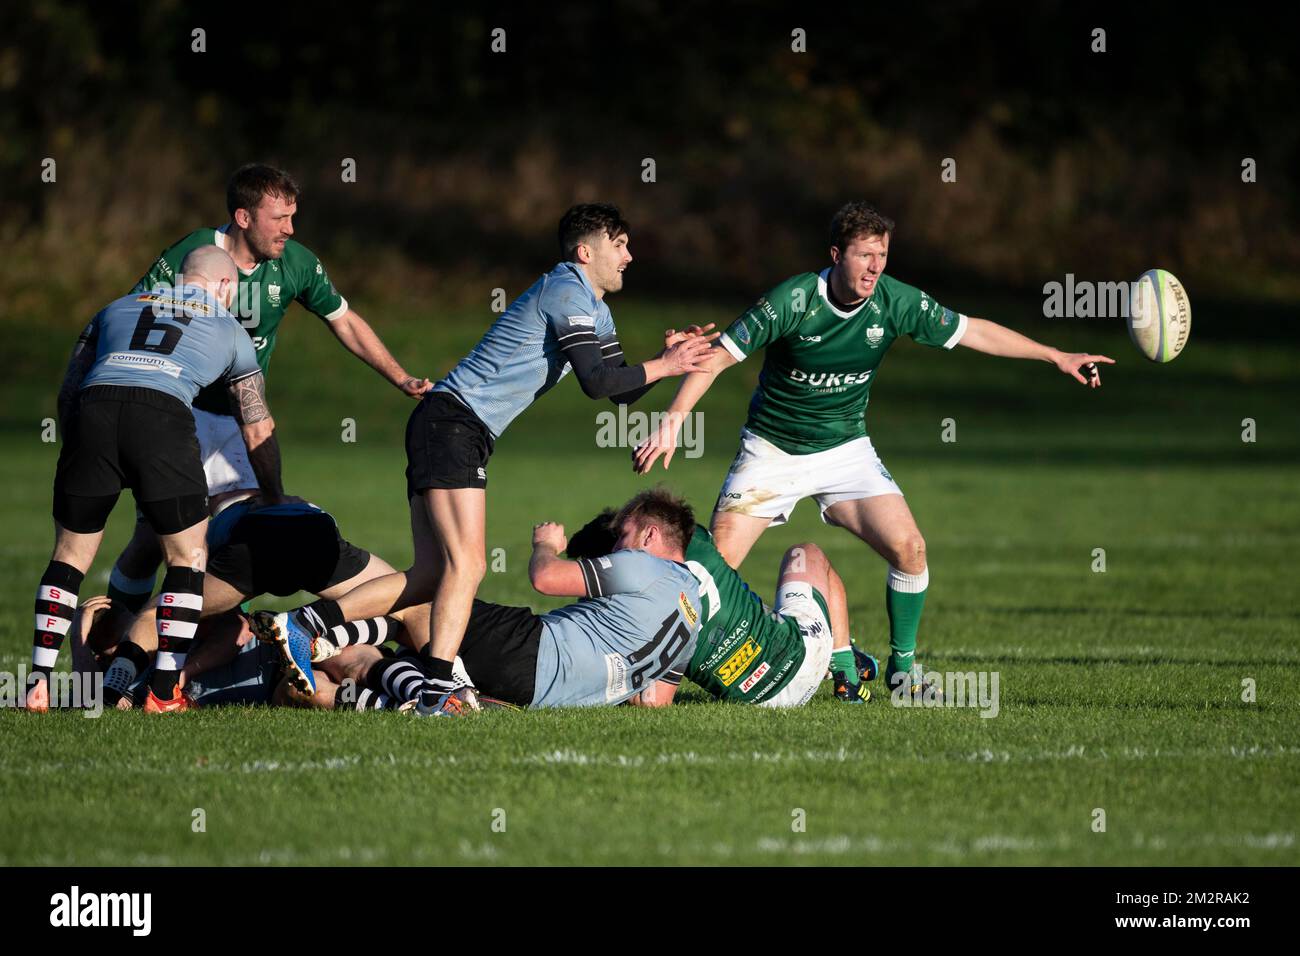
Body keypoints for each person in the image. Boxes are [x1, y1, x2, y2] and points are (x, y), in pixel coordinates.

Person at [634, 201, 1115, 695]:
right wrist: (673, 422)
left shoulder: (895, 301)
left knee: (910, 549)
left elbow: (973, 330)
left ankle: (903, 671)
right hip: (771, 453)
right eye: (865, 255)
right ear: (837, 254)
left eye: (882, 254)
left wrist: (1055, 354)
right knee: (714, 573)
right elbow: (714, 359)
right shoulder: (793, 299)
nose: (876, 266)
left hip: (845, 450)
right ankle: (652, 661)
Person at [255, 204, 715, 712]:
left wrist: (666, 361)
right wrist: (665, 364)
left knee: (433, 575)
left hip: (452, 427)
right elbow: (597, 382)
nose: (630, 255)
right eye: (619, 244)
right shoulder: (566, 290)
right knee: (468, 565)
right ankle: (430, 687)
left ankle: (304, 625)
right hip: (454, 424)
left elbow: (619, 390)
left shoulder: (596, 309)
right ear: (586, 252)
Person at [102, 163, 431, 621]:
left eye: (293, 217)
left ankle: (215, 648)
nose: (289, 230)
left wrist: (401, 377)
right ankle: (116, 636)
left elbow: (345, 320)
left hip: (243, 424)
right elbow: (137, 315)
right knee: (154, 543)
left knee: (250, 536)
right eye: (279, 219)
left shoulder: (295, 262)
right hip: (181, 416)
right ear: (243, 217)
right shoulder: (191, 254)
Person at [30, 245, 281, 713]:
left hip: (95, 407)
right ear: (225, 286)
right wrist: (273, 494)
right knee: (188, 557)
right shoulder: (230, 328)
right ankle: (163, 692)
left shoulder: (114, 308)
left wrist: (79, 447)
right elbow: (256, 424)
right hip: (162, 415)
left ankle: (37, 684)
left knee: (68, 556)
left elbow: (69, 387)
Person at [347, 488, 704, 715]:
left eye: (623, 535)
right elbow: (653, 703)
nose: (615, 548)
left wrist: (545, 545)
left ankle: (318, 602)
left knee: (427, 599)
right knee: (384, 662)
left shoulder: (645, 565)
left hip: (529, 652)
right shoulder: (693, 614)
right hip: (543, 695)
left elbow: (545, 578)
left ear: (650, 534)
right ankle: (319, 679)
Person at [564, 503, 874, 707]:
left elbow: (653, 701)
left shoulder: (635, 608)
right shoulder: (692, 538)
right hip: (799, 659)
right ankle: (844, 669)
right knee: (806, 552)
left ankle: (840, 662)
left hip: (754, 702)